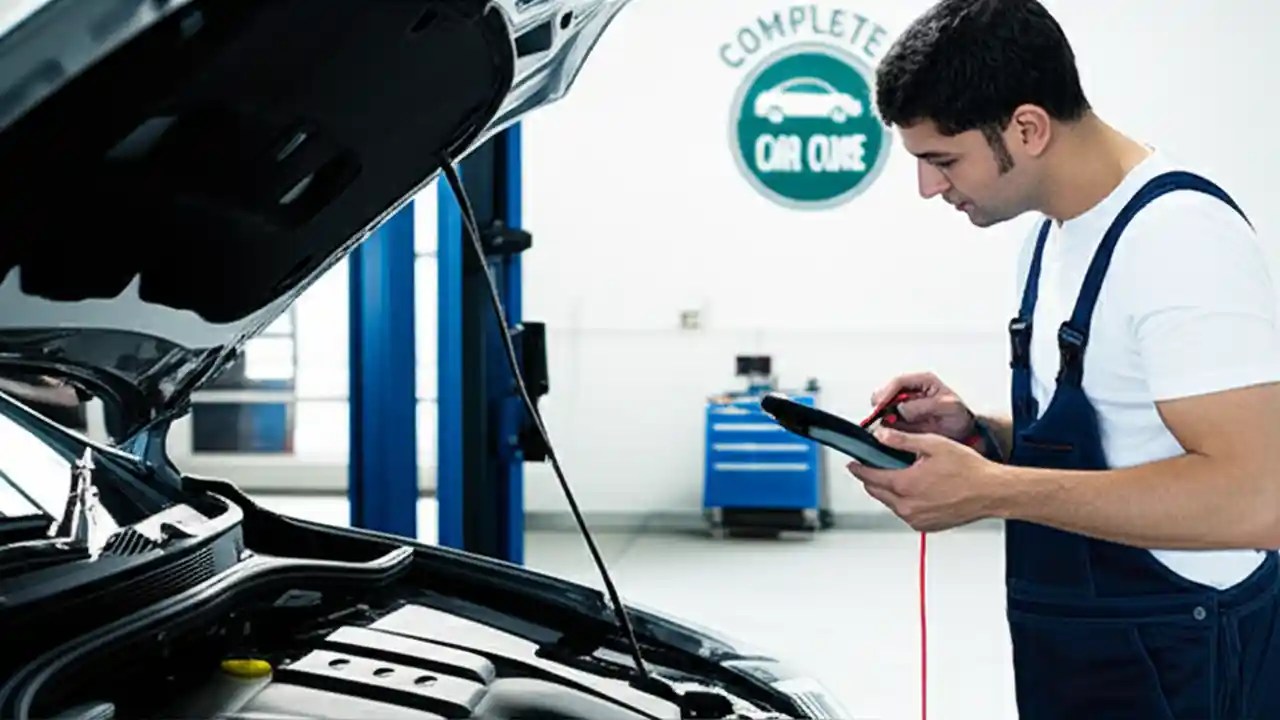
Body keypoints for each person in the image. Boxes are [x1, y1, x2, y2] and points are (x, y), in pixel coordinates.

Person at [845, 0, 1280, 717]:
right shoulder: (1049, 239)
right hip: (1086, 664)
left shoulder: (1180, 241)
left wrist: (994, 490)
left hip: (1183, 668)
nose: (927, 188)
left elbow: (1258, 498)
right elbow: (1120, 439)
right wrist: (980, 435)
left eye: (941, 160)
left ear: (1027, 127)